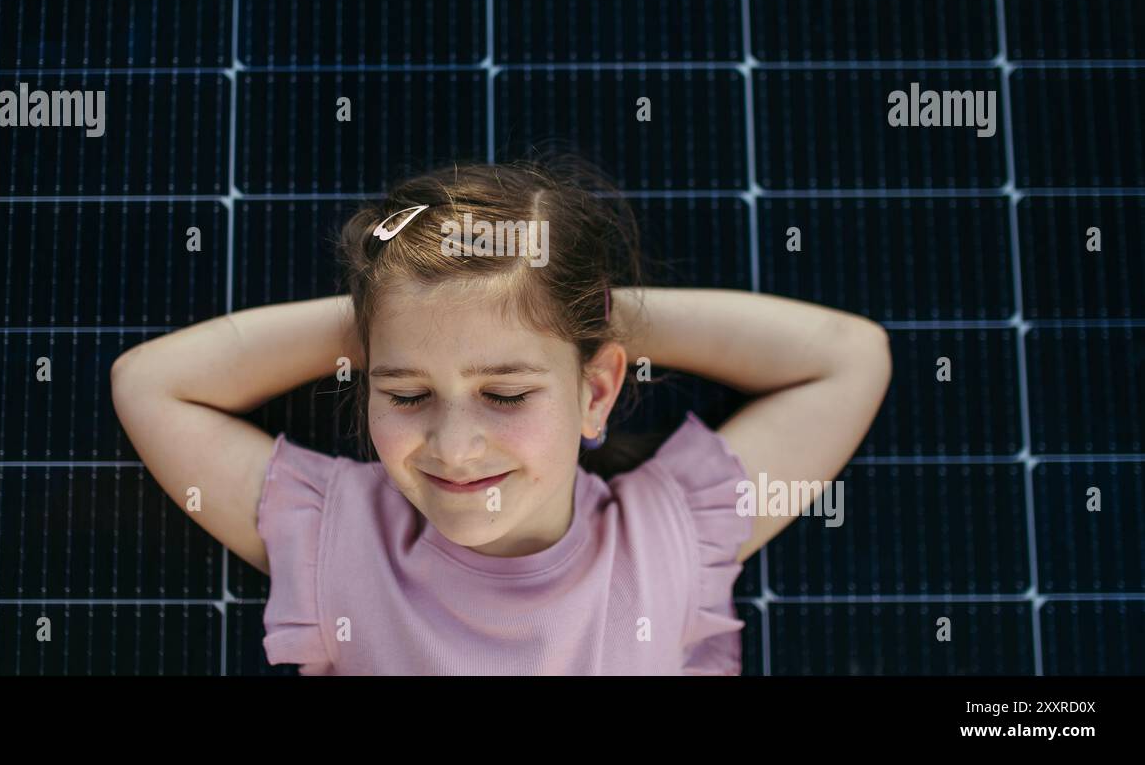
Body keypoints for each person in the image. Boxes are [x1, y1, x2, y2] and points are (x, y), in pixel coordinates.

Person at [110, 155, 892, 674]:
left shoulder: (669, 538)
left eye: (507, 393)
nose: (453, 447)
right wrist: (387, 305)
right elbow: (150, 383)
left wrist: (588, 315)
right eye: (407, 394)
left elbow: (847, 358)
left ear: (594, 393)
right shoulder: (340, 542)